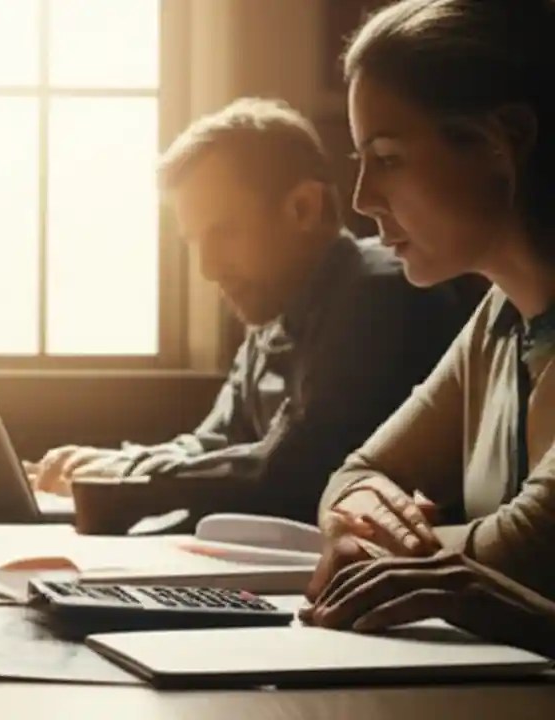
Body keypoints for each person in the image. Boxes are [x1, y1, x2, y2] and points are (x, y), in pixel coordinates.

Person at [32, 98, 479, 523]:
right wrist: (120, 463)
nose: (207, 269)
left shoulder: (380, 292)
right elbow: (215, 444)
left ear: (303, 208)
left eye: (224, 233)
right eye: (195, 241)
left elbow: (295, 471)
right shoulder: (273, 312)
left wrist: (132, 481)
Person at [299, 0, 555, 645]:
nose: (362, 199)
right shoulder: (500, 319)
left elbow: (529, 549)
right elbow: (357, 474)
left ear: (502, 140)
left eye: (387, 157)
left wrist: (374, 543)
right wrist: (362, 519)